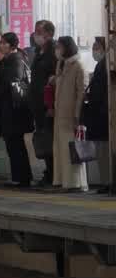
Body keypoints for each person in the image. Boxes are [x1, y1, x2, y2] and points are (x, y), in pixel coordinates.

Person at [0, 32, 35, 188]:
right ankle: (18, 176)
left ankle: (22, 178)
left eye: (3, 43)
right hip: (7, 109)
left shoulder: (15, 60)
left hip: (14, 110)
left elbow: (12, 82)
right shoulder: (7, 60)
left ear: (11, 45)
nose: (0, 45)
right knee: (13, 144)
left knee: (16, 145)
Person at [53, 35, 89, 192]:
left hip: (71, 116)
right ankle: (63, 181)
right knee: (61, 149)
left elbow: (81, 93)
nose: (57, 50)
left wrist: (77, 115)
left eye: (59, 47)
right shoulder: (61, 65)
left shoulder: (78, 66)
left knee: (73, 150)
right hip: (59, 114)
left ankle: (75, 183)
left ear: (67, 47)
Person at [29, 20, 58, 186]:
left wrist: (51, 105)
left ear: (49, 33)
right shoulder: (39, 51)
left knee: (50, 139)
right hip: (38, 104)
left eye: (39, 31)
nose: (36, 34)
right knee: (43, 139)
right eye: (35, 31)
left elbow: (54, 79)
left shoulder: (54, 51)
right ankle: (49, 172)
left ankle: (54, 174)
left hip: (48, 105)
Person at [83, 37, 110, 192]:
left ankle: (107, 182)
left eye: (97, 47)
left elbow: (101, 92)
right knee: (101, 150)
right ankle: (106, 182)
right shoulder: (101, 64)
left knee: (103, 150)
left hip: (101, 116)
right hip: (99, 115)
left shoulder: (104, 65)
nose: (94, 50)